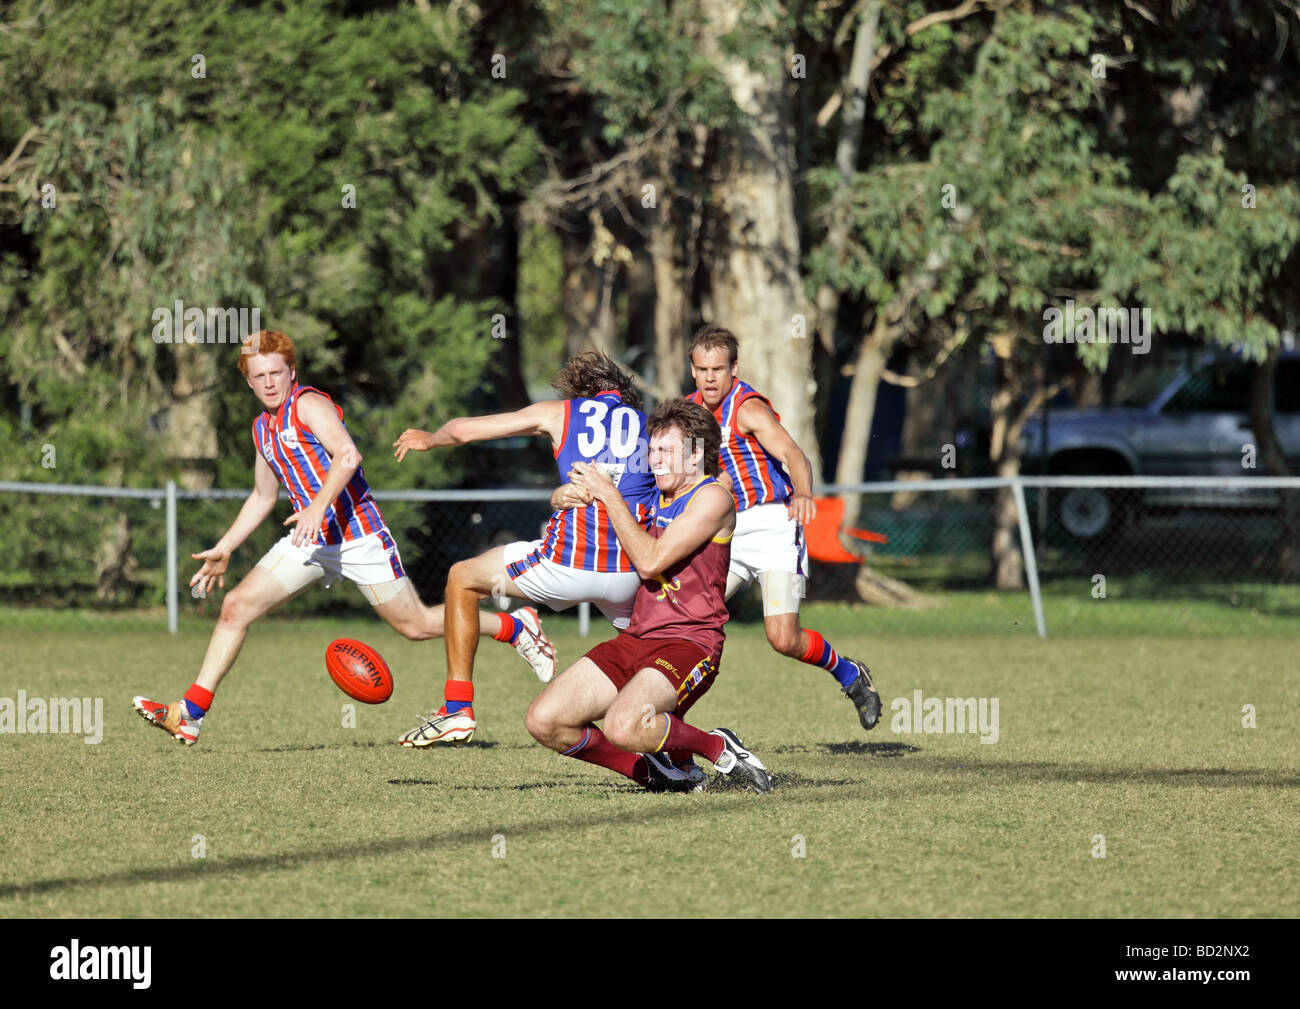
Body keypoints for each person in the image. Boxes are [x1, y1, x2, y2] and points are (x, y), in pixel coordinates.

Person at [132, 329, 553, 746]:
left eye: (276, 373)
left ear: (292, 371)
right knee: (235, 607)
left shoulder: (309, 404)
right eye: (259, 376)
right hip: (310, 541)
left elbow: (348, 455)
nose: (268, 383)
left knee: (417, 625)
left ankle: (514, 626)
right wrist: (225, 547)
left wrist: (317, 506)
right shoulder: (262, 429)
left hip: (358, 536)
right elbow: (263, 496)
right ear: (247, 381)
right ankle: (190, 715)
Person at [391, 351, 657, 746]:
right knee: (649, 659)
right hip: (630, 574)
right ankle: (669, 744)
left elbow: (464, 431)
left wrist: (428, 439)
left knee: (461, 578)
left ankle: (456, 709)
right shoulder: (654, 427)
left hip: (566, 565)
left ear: (582, 392)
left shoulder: (559, 413)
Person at [525, 398, 772, 794]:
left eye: (665, 451)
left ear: (694, 455)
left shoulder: (712, 498)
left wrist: (609, 494)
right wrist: (562, 497)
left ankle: (719, 747)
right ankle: (653, 772)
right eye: (651, 450)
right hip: (636, 638)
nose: (654, 461)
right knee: (545, 720)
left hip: (690, 642)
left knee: (624, 725)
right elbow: (591, 508)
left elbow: (649, 561)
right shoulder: (654, 494)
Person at [686, 324, 883, 731]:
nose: (710, 378)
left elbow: (795, 454)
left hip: (774, 525)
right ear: (692, 370)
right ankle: (664, 719)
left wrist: (804, 493)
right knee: (688, 620)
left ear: (734, 368)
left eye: (718, 369)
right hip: (727, 532)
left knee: (783, 639)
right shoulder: (688, 415)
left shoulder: (748, 409)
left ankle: (850, 676)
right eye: (703, 369)